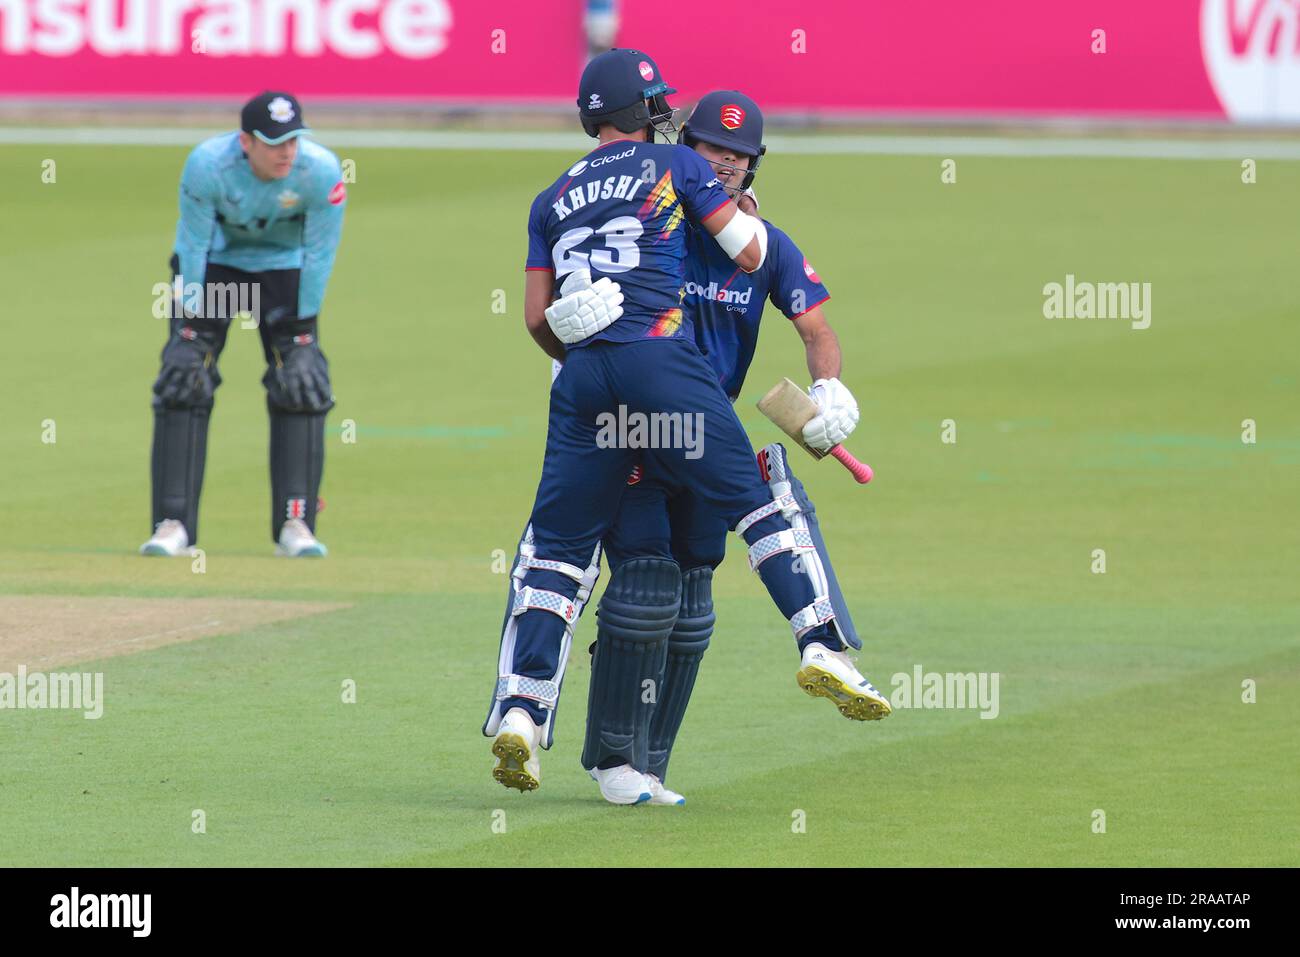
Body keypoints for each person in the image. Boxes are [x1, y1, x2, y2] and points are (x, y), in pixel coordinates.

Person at [497, 91, 892, 806]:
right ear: (686, 148)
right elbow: (575, 314)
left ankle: (648, 768)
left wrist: (830, 391)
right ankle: (614, 762)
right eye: (712, 149)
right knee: (645, 589)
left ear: (754, 166)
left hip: (707, 434)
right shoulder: (656, 217)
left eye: (738, 156)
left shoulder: (767, 244)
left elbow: (816, 330)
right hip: (640, 436)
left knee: (691, 603)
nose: (724, 163)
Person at [140, 92, 346, 559]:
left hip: (285, 268)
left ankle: (296, 523)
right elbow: (192, 244)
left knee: (302, 380)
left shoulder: (321, 172)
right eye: (274, 143)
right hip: (217, 265)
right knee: (183, 376)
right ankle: (172, 524)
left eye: (292, 140)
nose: (286, 152)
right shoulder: (207, 165)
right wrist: (190, 327)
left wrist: (304, 332)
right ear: (245, 142)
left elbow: (319, 253)